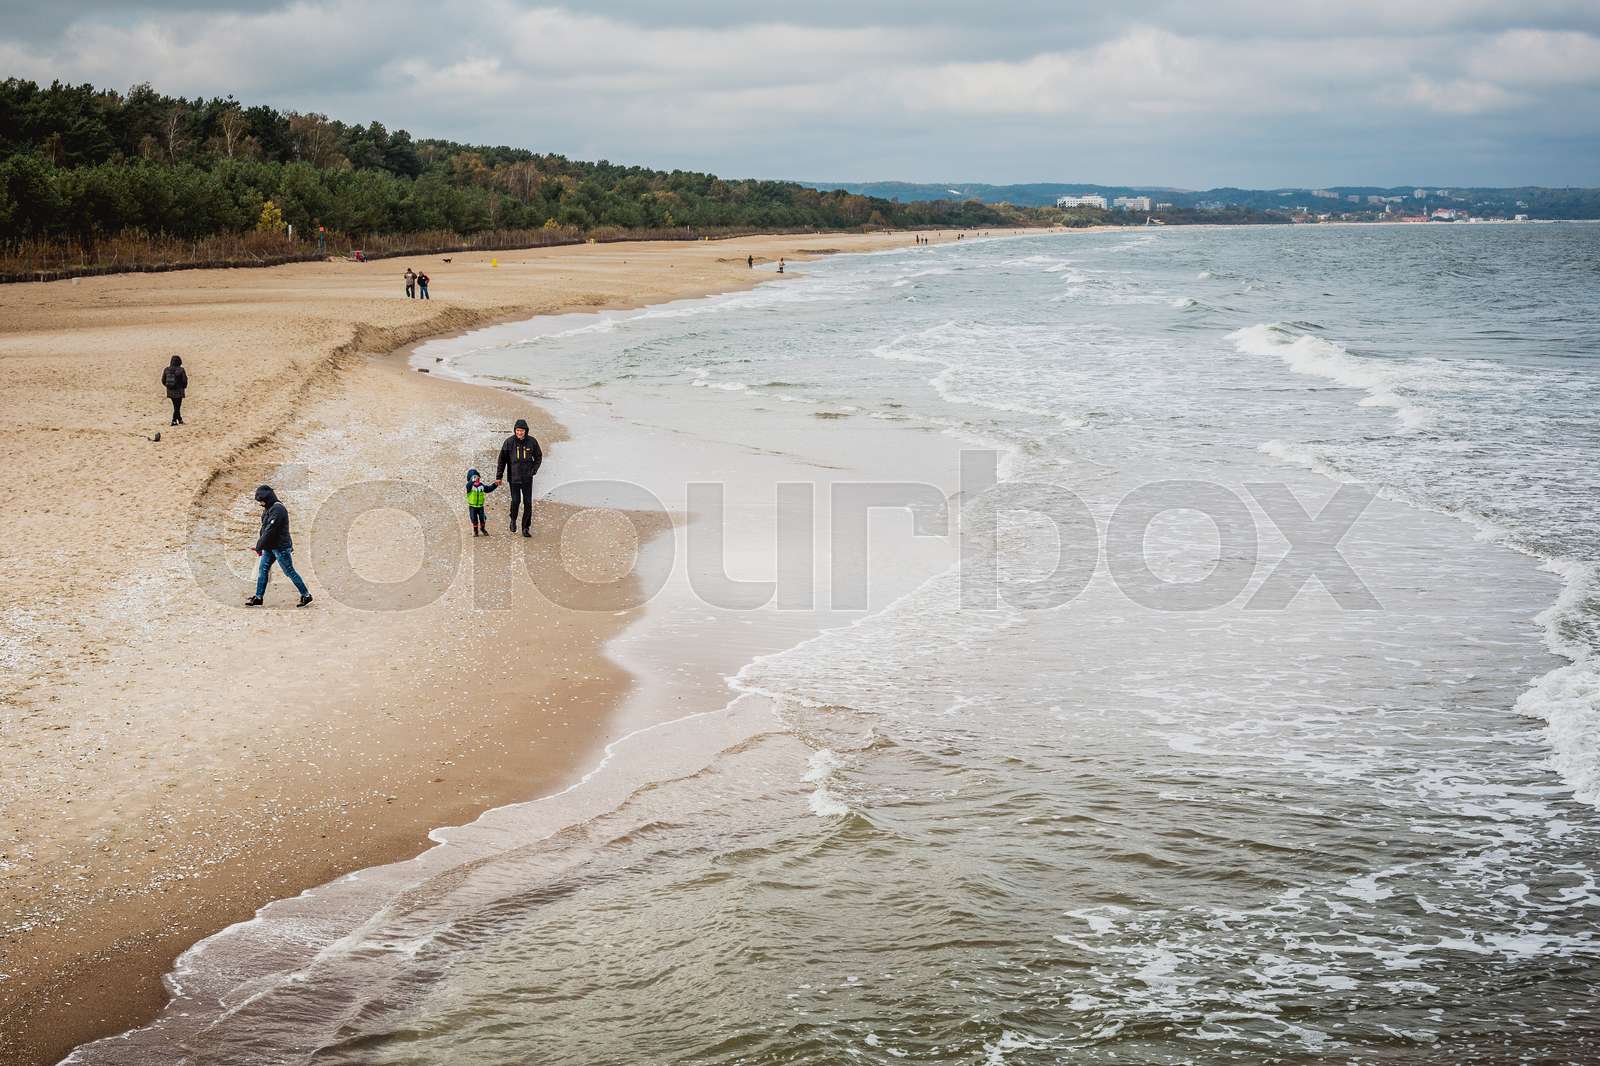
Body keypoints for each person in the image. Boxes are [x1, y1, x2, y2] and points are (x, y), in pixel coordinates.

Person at [246, 485, 312, 607]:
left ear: (268, 498)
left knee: (289, 571)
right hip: (270, 546)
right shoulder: (269, 508)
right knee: (263, 570)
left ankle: (306, 595)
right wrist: (261, 545)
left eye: (261, 501)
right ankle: (258, 597)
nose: (260, 503)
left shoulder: (278, 509)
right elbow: (264, 529)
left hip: (280, 548)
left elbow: (270, 530)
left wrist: (259, 546)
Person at [495, 417, 543, 537]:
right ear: (515, 431)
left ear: (526, 431)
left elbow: (538, 457)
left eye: (522, 430)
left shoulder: (532, 442)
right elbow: (502, 460)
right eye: (517, 430)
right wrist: (499, 476)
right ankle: (513, 520)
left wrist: (534, 470)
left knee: (528, 503)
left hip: (527, 478)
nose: (519, 433)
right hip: (514, 478)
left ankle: (526, 527)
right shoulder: (509, 442)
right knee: (516, 501)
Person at [465, 467, 499, 536]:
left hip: (480, 506)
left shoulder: (481, 485)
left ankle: (482, 528)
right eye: (474, 478)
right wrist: (472, 481)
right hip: (472, 506)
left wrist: (495, 484)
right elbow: (468, 485)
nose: (477, 479)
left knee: (482, 518)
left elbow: (488, 489)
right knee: (474, 519)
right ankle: (475, 531)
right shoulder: (470, 487)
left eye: (477, 477)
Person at [161, 355, 188, 426]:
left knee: (175, 406)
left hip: (170, 391)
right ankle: (174, 420)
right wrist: (183, 387)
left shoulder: (166, 369)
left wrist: (168, 386)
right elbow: (184, 380)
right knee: (177, 406)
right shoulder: (181, 370)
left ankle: (180, 419)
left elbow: (163, 380)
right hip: (179, 391)